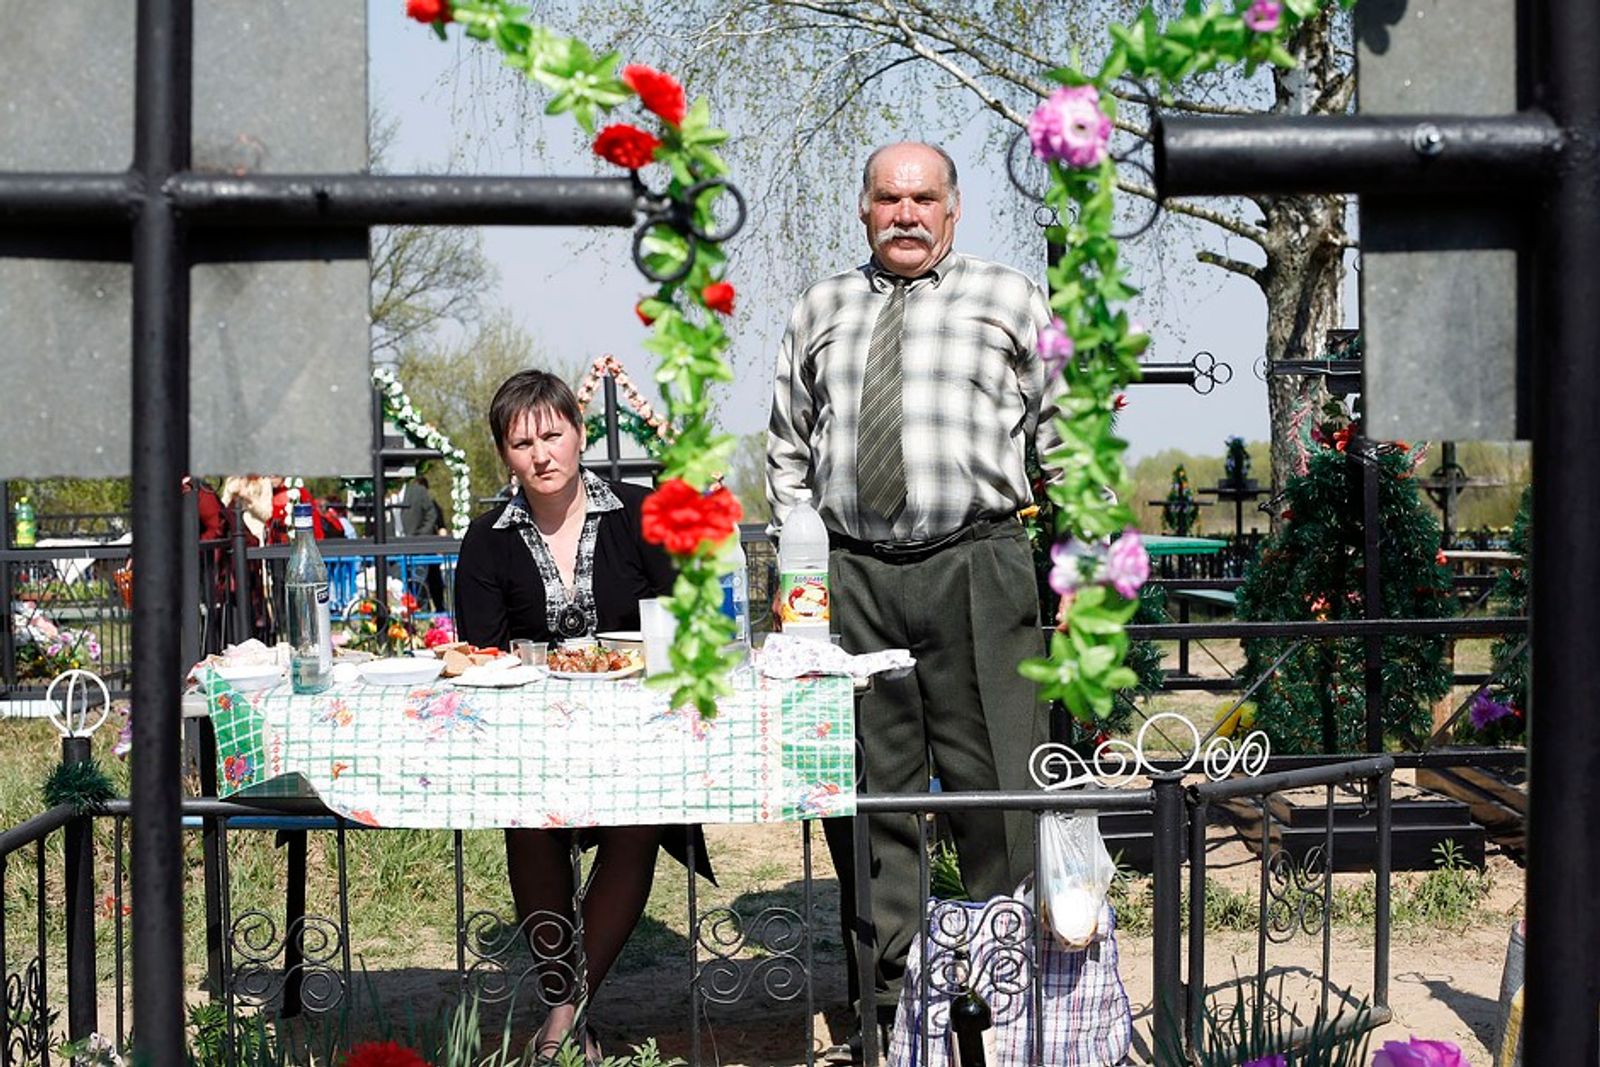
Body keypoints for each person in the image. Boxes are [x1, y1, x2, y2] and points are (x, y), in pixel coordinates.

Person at [766, 141, 1057, 1054]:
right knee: (871, 795)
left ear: (953, 209)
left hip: (979, 562)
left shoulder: (1010, 298)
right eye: (888, 198)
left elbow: (1066, 436)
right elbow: (786, 454)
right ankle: (886, 1005)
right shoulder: (821, 306)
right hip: (853, 577)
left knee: (998, 789)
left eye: (923, 198)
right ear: (863, 208)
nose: (905, 213)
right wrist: (803, 575)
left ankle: (1003, 989)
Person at [454, 369, 712, 1062]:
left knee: (640, 818)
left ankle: (567, 1014)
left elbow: (687, 616)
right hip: (533, 739)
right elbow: (479, 651)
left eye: (552, 433)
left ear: (578, 430)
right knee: (527, 821)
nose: (541, 453)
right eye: (521, 442)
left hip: (636, 732)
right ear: (505, 454)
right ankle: (563, 1004)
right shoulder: (487, 540)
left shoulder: (640, 511)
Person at [399, 474, 448, 610]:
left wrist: (422, 537)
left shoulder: (431, 503)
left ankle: (430, 610)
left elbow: (438, 522)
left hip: (425, 547)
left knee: (424, 583)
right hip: (411, 548)